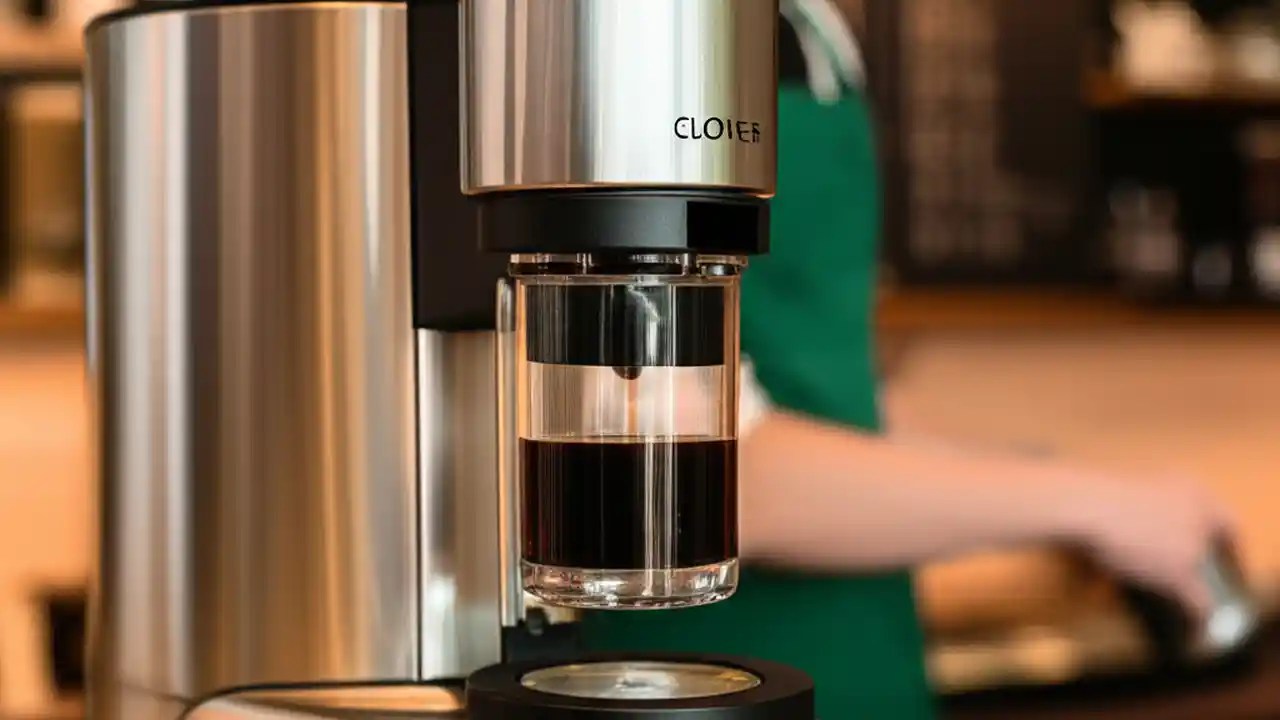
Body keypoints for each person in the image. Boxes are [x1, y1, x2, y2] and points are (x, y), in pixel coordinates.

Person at [580, 3, 1236, 718]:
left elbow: (841, 401)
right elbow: (687, 471)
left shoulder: (820, 28)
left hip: (866, 658)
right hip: (706, 668)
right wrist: (1094, 506)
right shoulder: (632, 24)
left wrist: (1090, 494)